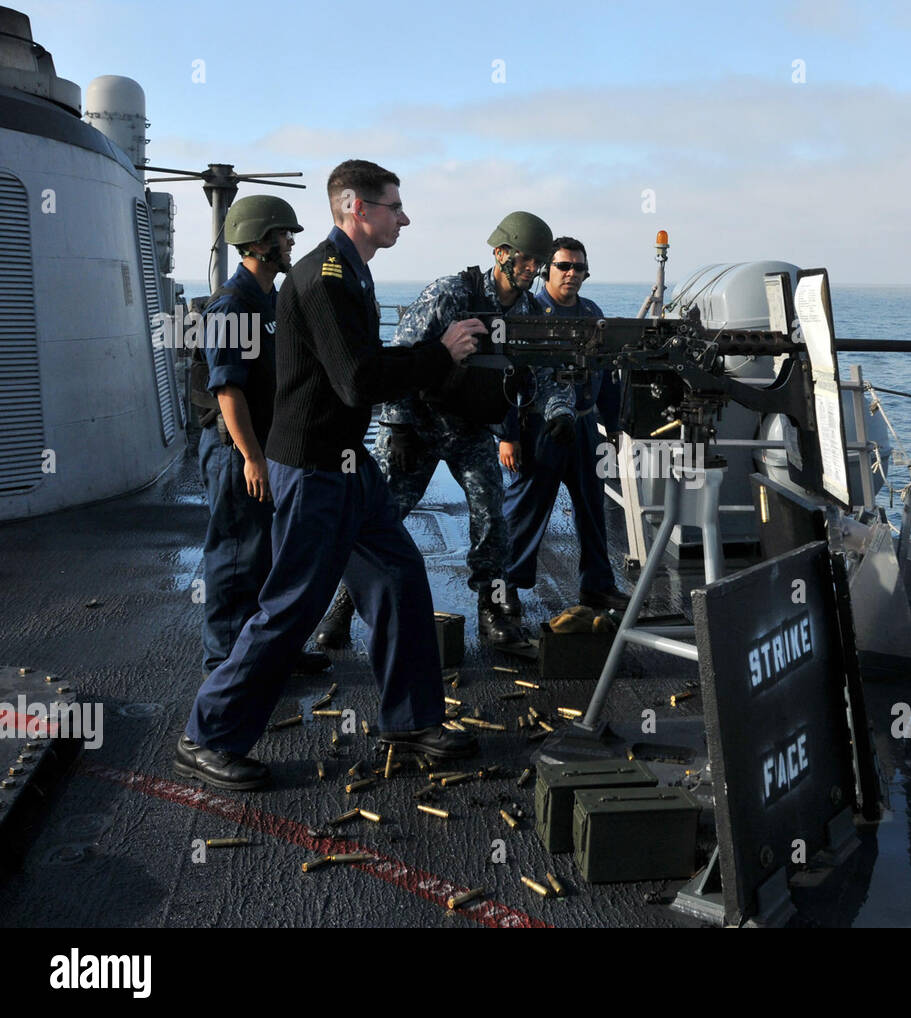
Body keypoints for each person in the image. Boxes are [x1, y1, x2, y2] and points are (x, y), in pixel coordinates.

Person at [175, 160, 481, 791]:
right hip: (316, 467)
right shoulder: (325, 277)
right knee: (290, 607)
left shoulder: (350, 272)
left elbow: (355, 369)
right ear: (356, 209)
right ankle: (207, 736)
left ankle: (412, 721)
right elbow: (357, 379)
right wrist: (439, 353)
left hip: (347, 462)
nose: (404, 216)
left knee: (397, 575)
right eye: (394, 206)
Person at [314, 212, 574, 650]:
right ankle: (342, 605)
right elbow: (398, 355)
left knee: (491, 518)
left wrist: (559, 413)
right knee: (380, 517)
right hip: (416, 423)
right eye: (527, 260)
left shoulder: (529, 313)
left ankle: (492, 612)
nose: (534, 270)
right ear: (501, 254)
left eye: (540, 262)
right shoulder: (451, 294)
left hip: (471, 429)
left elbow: (544, 378)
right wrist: (396, 424)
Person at [194, 194, 330, 680]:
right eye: (283, 234)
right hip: (239, 452)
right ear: (258, 242)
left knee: (273, 555)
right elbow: (228, 390)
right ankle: (227, 668)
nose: (291, 242)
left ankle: (272, 650)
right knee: (237, 559)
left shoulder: (271, 298)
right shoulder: (232, 305)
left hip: (270, 447)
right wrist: (252, 458)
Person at [498, 237, 630, 615]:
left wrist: (614, 426)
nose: (572, 274)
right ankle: (506, 586)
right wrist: (507, 436)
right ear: (546, 269)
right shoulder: (528, 312)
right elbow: (508, 379)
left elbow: (606, 373)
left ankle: (597, 587)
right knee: (526, 510)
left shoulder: (591, 312)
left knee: (593, 509)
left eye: (579, 268)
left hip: (587, 428)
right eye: (564, 266)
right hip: (539, 429)